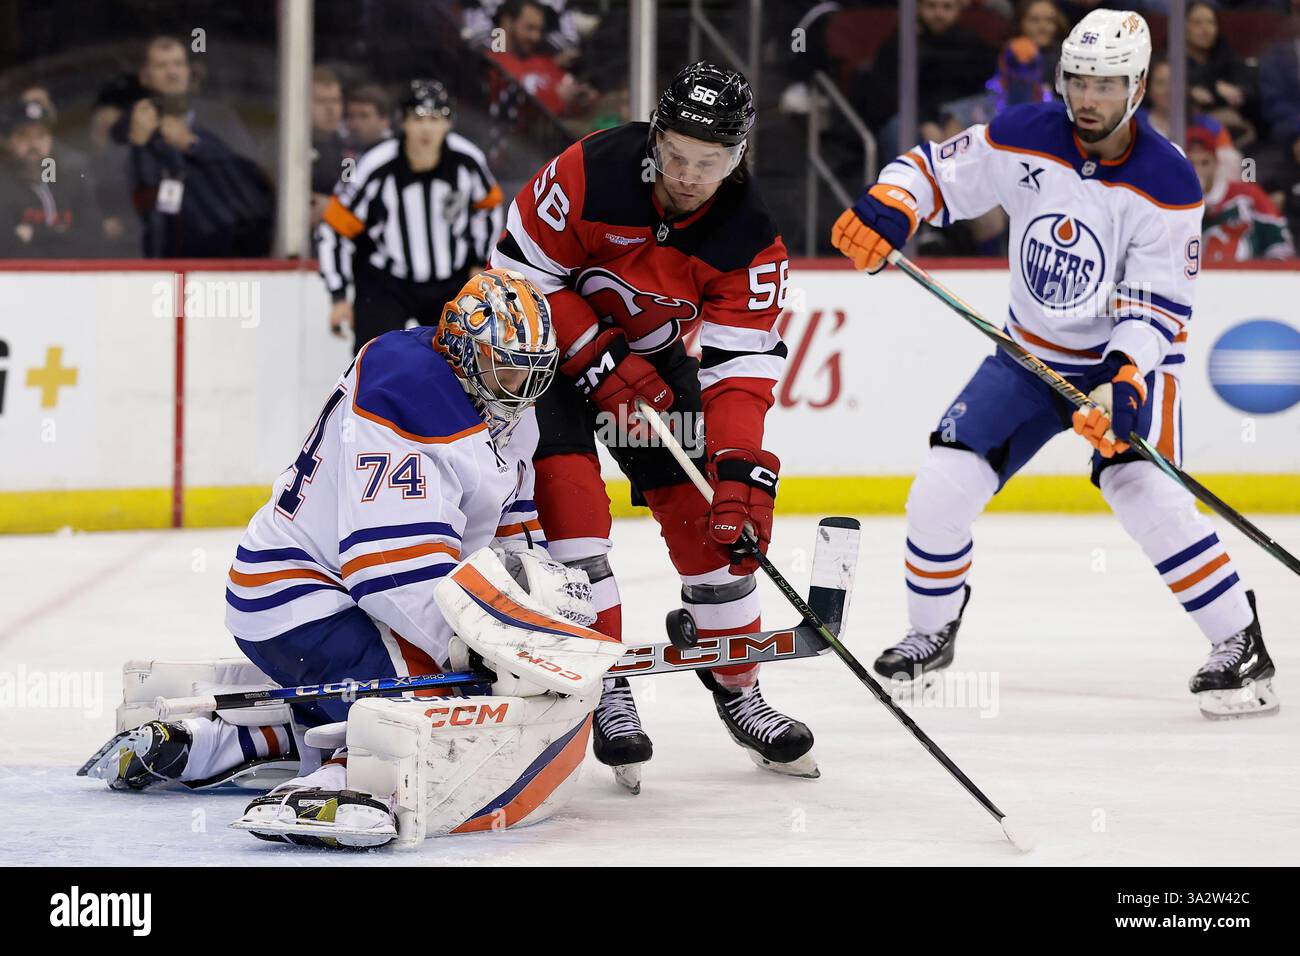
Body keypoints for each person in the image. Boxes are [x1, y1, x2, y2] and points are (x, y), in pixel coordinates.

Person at [830, 9, 1279, 719]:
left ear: (1135, 87)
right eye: (1078, 81)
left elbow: (1159, 304)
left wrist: (1125, 377)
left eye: (1105, 85)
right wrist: (895, 204)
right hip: (1028, 357)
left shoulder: (1167, 181)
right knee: (942, 488)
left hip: (1121, 366)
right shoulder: (1024, 134)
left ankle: (1240, 644)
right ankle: (929, 632)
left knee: (1146, 496)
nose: (1088, 99)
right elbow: (933, 170)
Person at [94, 270, 612, 847]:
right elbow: (387, 570)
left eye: (535, 369)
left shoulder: (505, 403)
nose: (525, 385)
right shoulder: (410, 392)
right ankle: (346, 778)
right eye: (510, 366)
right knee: (445, 697)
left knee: (472, 684)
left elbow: (509, 524)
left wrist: (539, 618)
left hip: (362, 598)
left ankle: (240, 739)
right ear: (465, 352)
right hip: (298, 595)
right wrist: (491, 647)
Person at [492, 61, 815, 791]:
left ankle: (738, 685)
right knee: (571, 514)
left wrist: (740, 471)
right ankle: (603, 681)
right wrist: (597, 360)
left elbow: (740, 374)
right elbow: (516, 275)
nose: (689, 175)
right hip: (546, 362)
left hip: (649, 369)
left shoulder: (749, 235)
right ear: (654, 137)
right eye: (675, 154)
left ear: (739, 158)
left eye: (711, 162)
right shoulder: (590, 170)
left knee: (715, 526)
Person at [318, 79, 506, 355]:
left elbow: (488, 209)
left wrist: (480, 263)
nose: (427, 128)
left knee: (460, 365)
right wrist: (338, 296)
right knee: (374, 361)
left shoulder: (468, 160)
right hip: (387, 283)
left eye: (435, 118)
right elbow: (335, 228)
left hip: (450, 281)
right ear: (402, 122)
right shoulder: (375, 164)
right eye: (418, 118)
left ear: (448, 123)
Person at [0, 98, 103, 257]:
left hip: (76, 277)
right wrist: (63, 235)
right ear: (8, 142)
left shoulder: (72, 181)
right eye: (23, 136)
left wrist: (34, 234)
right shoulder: (3, 187)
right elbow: (7, 246)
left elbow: (94, 238)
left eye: (41, 135)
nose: (33, 145)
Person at [1187, 124, 1295, 261]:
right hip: (1198, 277)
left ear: (1216, 162)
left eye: (1204, 163)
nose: (1197, 170)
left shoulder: (1246, 194)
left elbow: (1279, 237)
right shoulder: (1175, 202)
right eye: (1191, 163)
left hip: (1246, 276)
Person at [345, 84, 393, 150]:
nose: (355, 123)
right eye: (350, 116)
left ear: (384, 121)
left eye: (364, 116)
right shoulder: (341, 151)